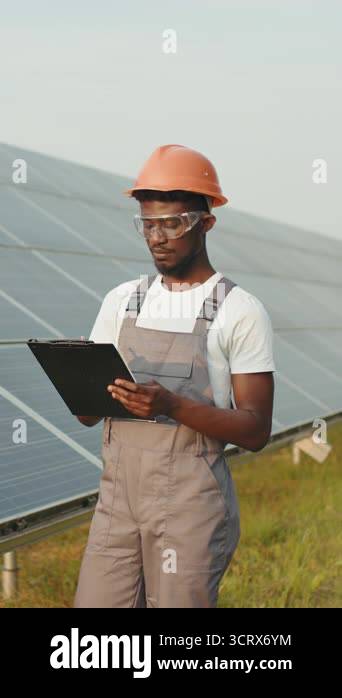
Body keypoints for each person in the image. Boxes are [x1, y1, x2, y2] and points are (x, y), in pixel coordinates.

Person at [74, 144, 275, 608]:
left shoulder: (238, 310)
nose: (157, 237)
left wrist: (171, 405)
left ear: (205, 223)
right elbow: (88, 414)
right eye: (148, 224)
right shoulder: (121, 300)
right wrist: (80, 387)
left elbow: (256, 430)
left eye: (172, 223)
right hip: (117, 500)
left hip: (189, 506)